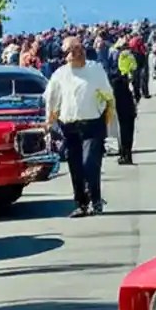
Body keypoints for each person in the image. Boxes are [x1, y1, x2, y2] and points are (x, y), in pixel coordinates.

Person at [44, 36, 114, 217]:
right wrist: (50, 120)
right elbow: (51, 98)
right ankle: (81, 203)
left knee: (89, 163)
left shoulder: (95, 69)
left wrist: (105, 111)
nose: (75, 53)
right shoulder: (60, 74)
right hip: (69, 126)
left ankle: (96, 200)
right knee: (75, 167)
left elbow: (107, 94)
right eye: (70, 51)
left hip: (92, 124)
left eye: (77, 49)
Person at [112, 49, 138, 165]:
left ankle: (125, 154)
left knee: (124, 129)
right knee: (128, 129)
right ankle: (127, 154)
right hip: (129, 106)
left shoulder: (118, 80)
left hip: (123, 106)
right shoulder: (131, 77)